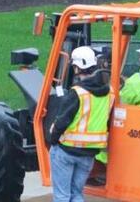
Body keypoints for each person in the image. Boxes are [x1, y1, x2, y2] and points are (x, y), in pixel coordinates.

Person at [46, 46, 113, 202]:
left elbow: (62, 121)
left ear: (76, 68)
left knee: (62, 196)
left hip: (66, 151)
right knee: (77, 194)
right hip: (89, 155)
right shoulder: (109, 92)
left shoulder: (77, 93)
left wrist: (52, 139)